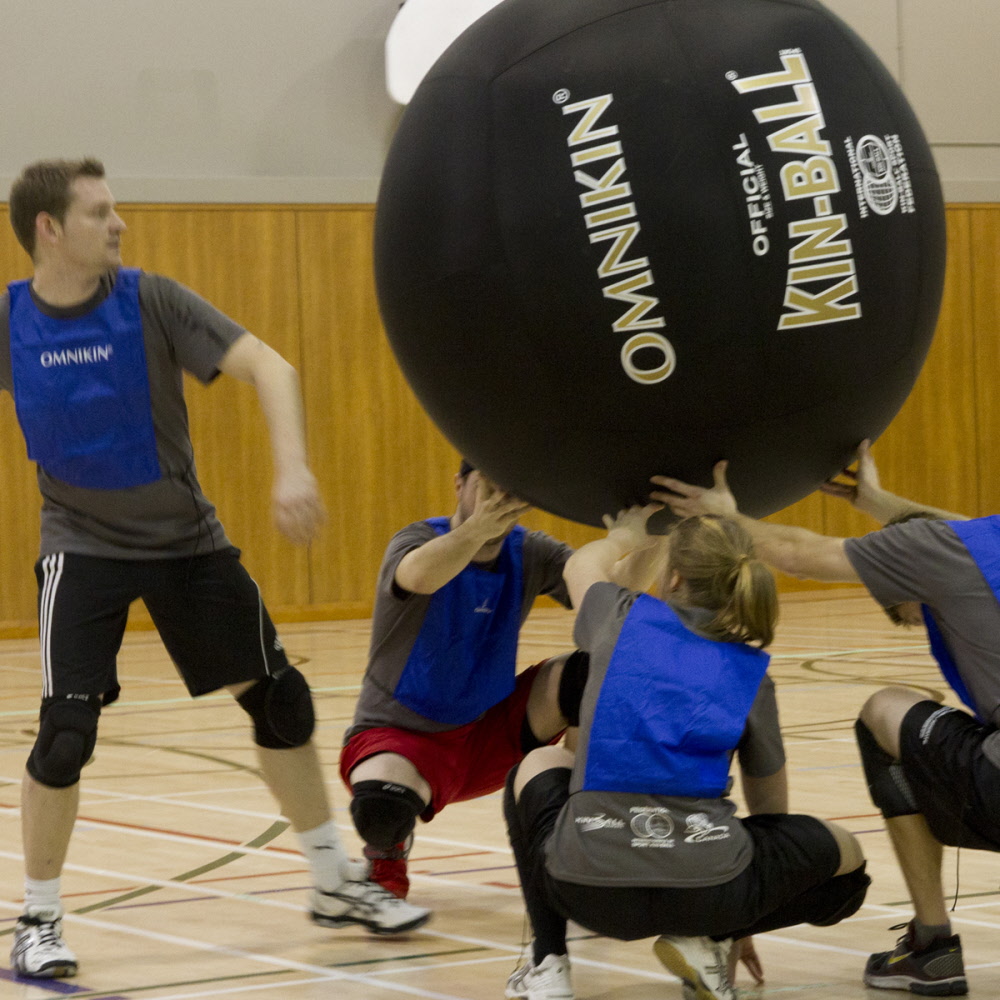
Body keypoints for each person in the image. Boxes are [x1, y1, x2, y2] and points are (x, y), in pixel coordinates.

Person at [2, 158, 430, 980]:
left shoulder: (150, 300)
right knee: (64, 736)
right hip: (81, 548)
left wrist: (292, 468)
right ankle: (40, 919)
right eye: (100, 213)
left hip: (186, 544)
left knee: (281, 702)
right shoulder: (10, 322)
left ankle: (333, 880)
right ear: (48, 229)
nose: (119, 224)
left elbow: (272, 366)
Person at [653, 441, 986, 996]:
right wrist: (879, 502)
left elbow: (796, 551)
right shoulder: (980, 542)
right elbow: (962, 530)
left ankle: (934, 946)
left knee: (883, 713)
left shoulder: (940, 550)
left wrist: (724, 517)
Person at [503, 506, 869, 1000]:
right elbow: (770, 814)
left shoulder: (622, 617)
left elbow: (578, 566)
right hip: (709, 895)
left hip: (586, 891)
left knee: (534, 765)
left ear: (673, 577)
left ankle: (549, 964)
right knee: (850, 869)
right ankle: (707, 942)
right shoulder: (751, 672)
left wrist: (625, 536)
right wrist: (740, 920)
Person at [339, 462, 613, 901]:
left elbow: (607, 597)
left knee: (589, 668)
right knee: (380, 810)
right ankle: (387, 853)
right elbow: (420, 576)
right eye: (488, 485)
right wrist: (477, 530)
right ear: (459, 483)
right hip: (402, 738)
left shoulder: (531, 551)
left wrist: (652, 537)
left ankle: (575, 826)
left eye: (511, 489)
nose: (498, 499)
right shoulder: (416, 541)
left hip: (488, 736)